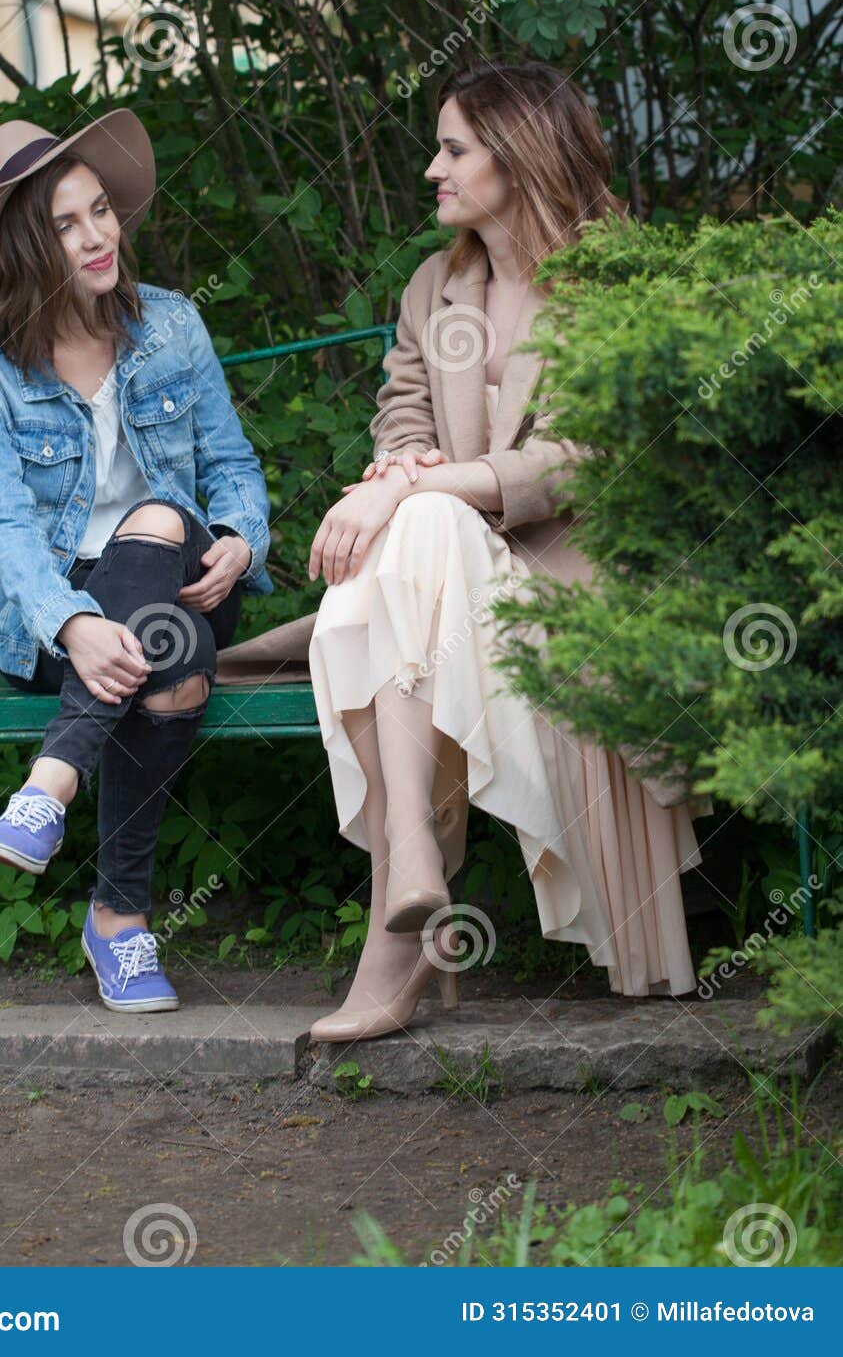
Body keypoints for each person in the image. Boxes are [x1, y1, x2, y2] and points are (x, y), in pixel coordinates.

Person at [214, 59, 711, 1040]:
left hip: (580, 589)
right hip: (448, 588)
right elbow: (400, 419)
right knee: (411, 541)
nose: (431, 170)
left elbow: (581, 460)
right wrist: (406, 467)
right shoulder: (433, 287)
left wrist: (417, 486)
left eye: (452, 149)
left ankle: (402, 893)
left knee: (416, 531)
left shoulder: (613, 277)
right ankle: (408, 883)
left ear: (515, 156)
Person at [0, 111, 272, 1014]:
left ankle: (48, 787)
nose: (97, 238)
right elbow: (5, 534)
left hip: (194, 579)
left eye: (101, 211)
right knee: (173, 675)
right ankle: (119, 921)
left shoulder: (171, 326)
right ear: (23, 248)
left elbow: (233, 468)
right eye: (65, 224)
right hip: (54, 616)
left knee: (163, 513)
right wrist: (77, 624)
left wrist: (242, 542)